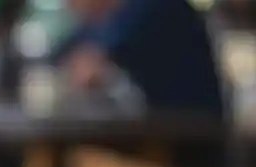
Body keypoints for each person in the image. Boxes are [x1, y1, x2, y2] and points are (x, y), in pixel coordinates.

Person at [56, 0, 224, 117]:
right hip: (157, 135)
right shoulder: (100, 22)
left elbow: (88, 64)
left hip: (194, 140)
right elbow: (63, 55)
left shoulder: (151, 6)